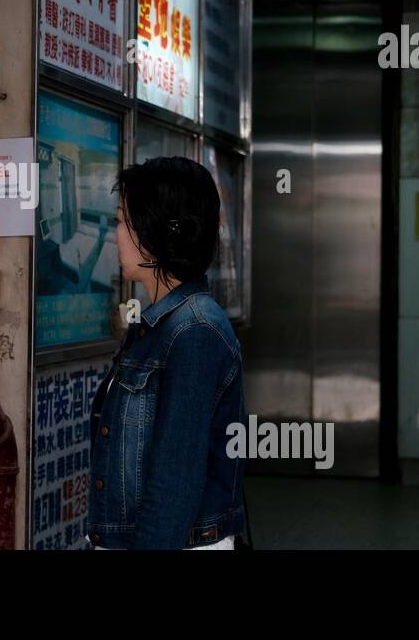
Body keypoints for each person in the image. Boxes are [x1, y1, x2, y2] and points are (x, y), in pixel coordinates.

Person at [85, 156, 246, 550]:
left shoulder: (193, 331)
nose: (115, 232)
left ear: (155, 232)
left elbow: (175, 479)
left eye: (123, 220)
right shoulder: (163, 325)